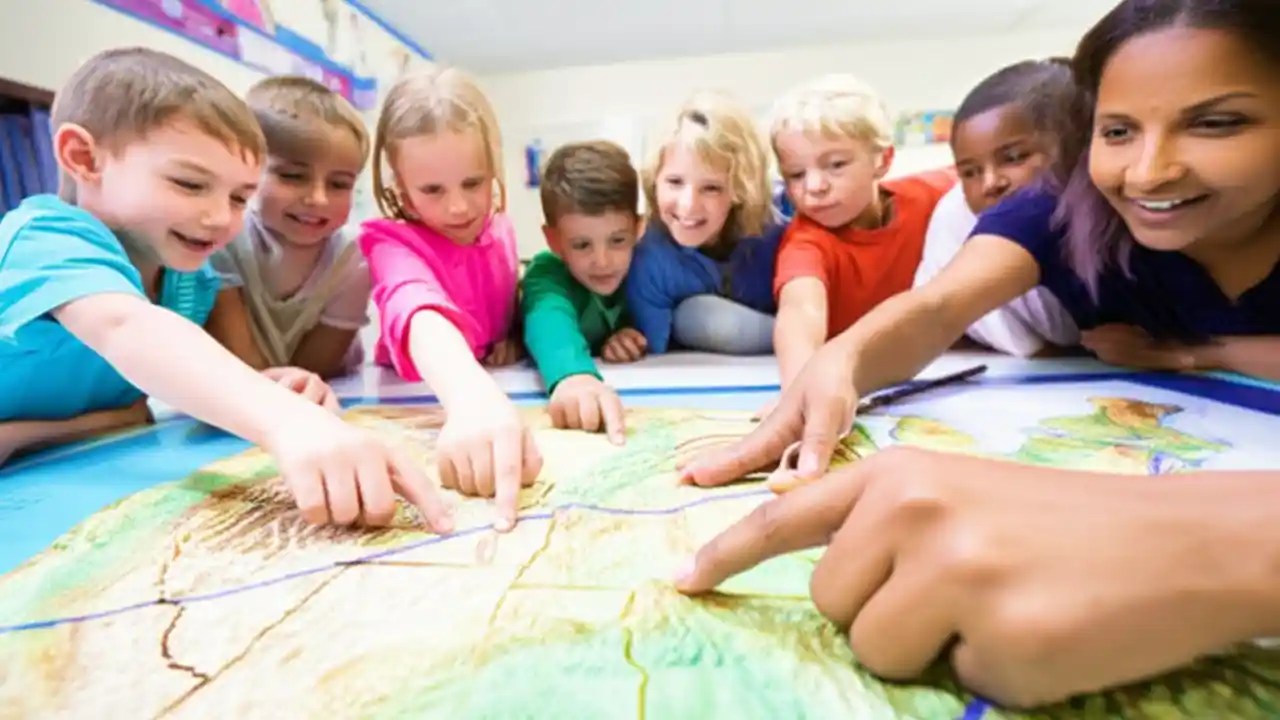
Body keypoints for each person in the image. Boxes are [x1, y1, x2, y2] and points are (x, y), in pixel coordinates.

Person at [676, 0, 1280, 707]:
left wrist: (1217, 534)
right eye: (1118, 131)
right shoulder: (1065, 204)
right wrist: (838, 363)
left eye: (1217, 122)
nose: (1148, 173)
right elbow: (935, 306)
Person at [0, 48, 449, 534]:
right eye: (191, 184)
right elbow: (126, 325)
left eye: (239, 198)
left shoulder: (190, 279)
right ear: (85, 158)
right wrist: (288, 421)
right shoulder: (44, 236)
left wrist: (274, 388)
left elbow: (135, 414)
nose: (221, 219)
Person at [360, 65, 540, 532]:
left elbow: (504, 299)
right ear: (400, 187)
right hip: (419, 395)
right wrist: (471, 395)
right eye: (432, 190)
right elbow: (415, 307)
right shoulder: (390, 242)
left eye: (474, 183)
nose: (459, 207)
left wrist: (514, 335)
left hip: (500, 382)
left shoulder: (498, 228)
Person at [769, 74, 954, 389]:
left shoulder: (937, 195)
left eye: (836, 165)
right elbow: (800, 310)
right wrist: (800, 391)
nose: (814, 186)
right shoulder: (806, 242)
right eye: (796, 174)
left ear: (883, 159)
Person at [912, 59, 1080, 357]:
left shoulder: (1121, 210)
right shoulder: (957, 215)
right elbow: (934, 319)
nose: (990, 183)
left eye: (1014, 157)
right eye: (970, 172)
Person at [208, 76, 372, 378]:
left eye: (339, 184)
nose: (318, 199)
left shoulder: (354, 257)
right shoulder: (221, 238)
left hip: (329, 390)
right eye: (293, 176)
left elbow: (311, 371)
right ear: (247, 170)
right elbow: (245, 365)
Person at [626, 91, 783, 356]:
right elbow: (654, 360)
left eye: (711, 188)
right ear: (654, 181)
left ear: (740, 190)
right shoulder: (649, 262)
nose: (688, 205)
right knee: (695, 315)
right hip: (708, 374)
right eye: (674, 182)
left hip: (791, 359)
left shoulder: (778, 228)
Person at [522, 141, 643, 443]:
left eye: (617, 240)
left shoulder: (647, 264)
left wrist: (630, 333)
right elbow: (547, 316)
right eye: (581, 245)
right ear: (553, 240)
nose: (602, 261)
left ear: (639, 228)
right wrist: (572, 375)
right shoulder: (547, 274)